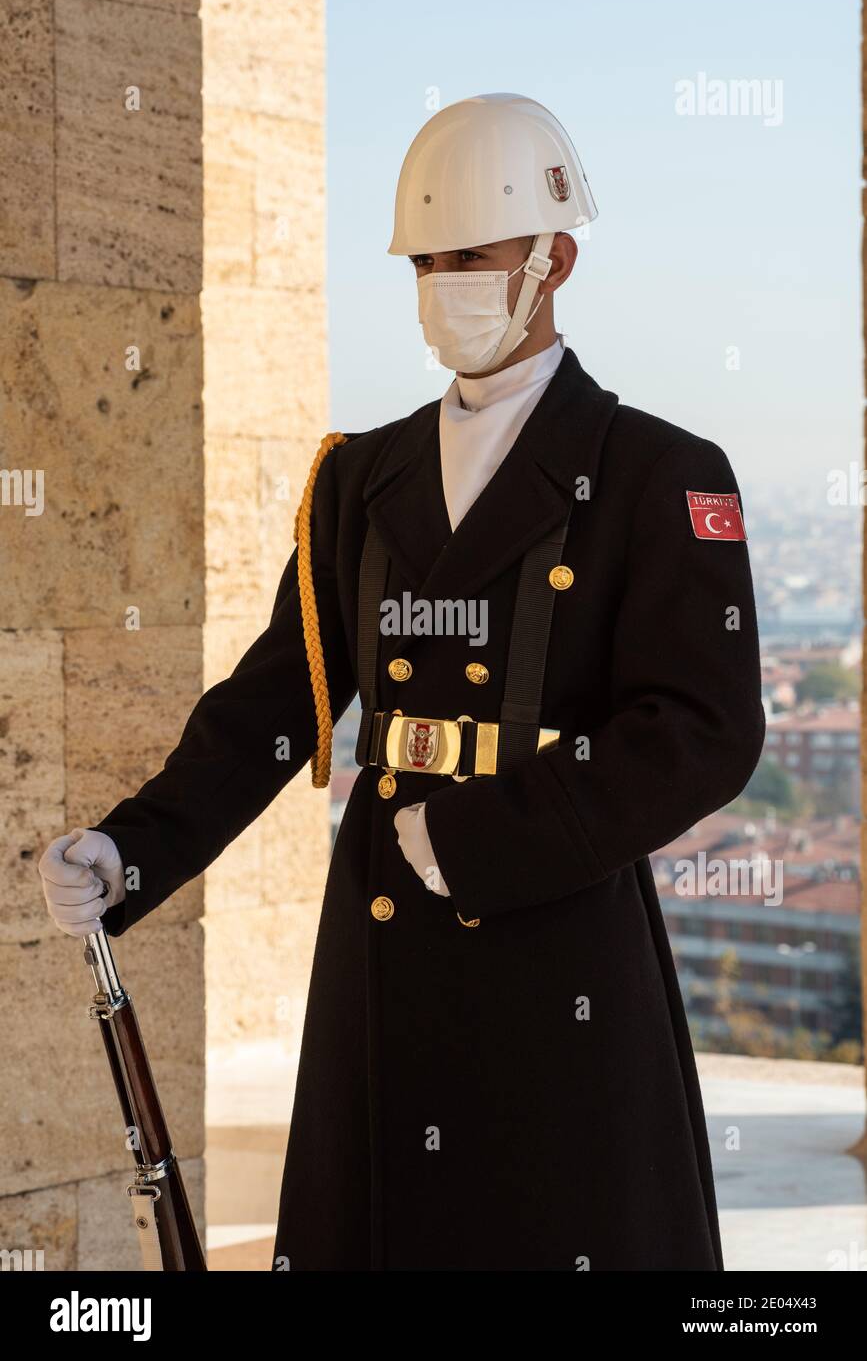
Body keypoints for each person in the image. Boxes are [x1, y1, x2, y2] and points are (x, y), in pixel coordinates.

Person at [39, 93, 765, 1271]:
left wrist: (485, 838)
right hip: (383, 922)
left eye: (469, 257)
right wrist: (135, 848)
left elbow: (705, 730)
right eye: (424, 261)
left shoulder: (659, 472)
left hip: (560, 920)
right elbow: (276, 706)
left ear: (553, 260)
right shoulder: (357, 479)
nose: (442, 284)